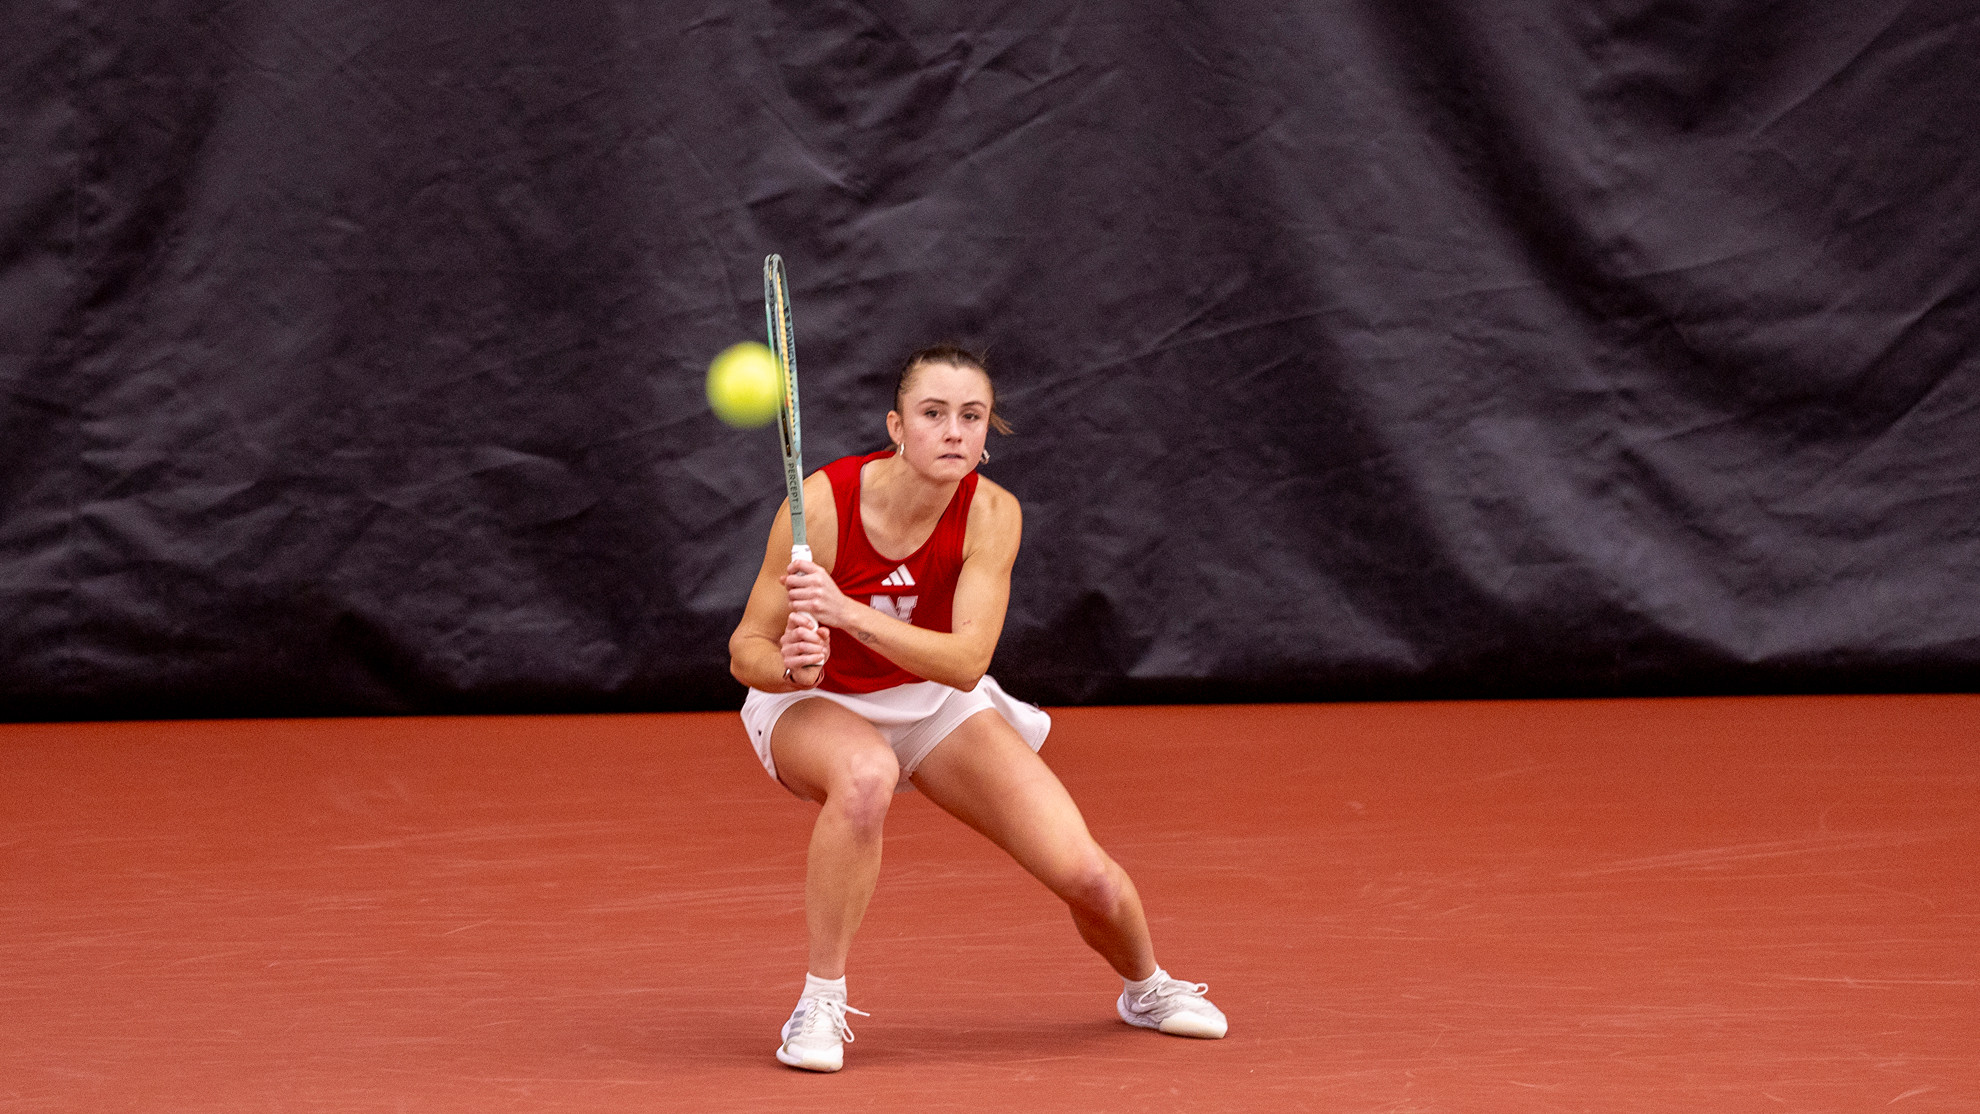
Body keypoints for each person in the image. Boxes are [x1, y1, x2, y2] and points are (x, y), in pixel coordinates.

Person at [727, 344, 1226, 1072]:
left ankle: (1146, 987)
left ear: (988, 431)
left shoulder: (992, 513)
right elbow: (746, 649)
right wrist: (792, 667)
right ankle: (820, 1000)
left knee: (1086, 875)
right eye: (933, 414)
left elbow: (966, 663)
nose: (954, 432)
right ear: (897, 426)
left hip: (935, 702)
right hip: (819, 703)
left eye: (972, 416)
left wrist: (847, 613)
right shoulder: (823, 506)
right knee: (864, 777)